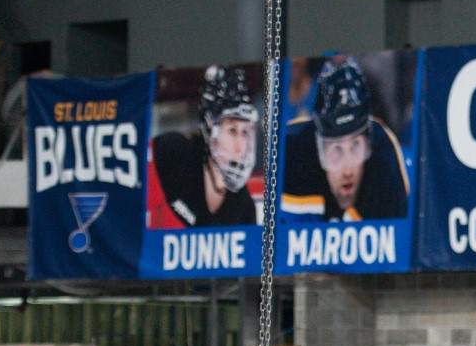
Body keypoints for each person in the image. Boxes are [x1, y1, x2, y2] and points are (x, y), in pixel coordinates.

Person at [282, 58, 410, 222]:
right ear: (320, 148)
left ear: (368, 144)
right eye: (337, 149)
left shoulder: (383, 160)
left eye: (355, 146)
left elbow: (398, 240)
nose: (347, 170)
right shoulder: (290, 152)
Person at [146, 64, 263, 228]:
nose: (240, 147)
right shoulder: (171, 153)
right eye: (232, 130)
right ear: (210, 125)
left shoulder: (243, 206)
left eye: (245, 133)